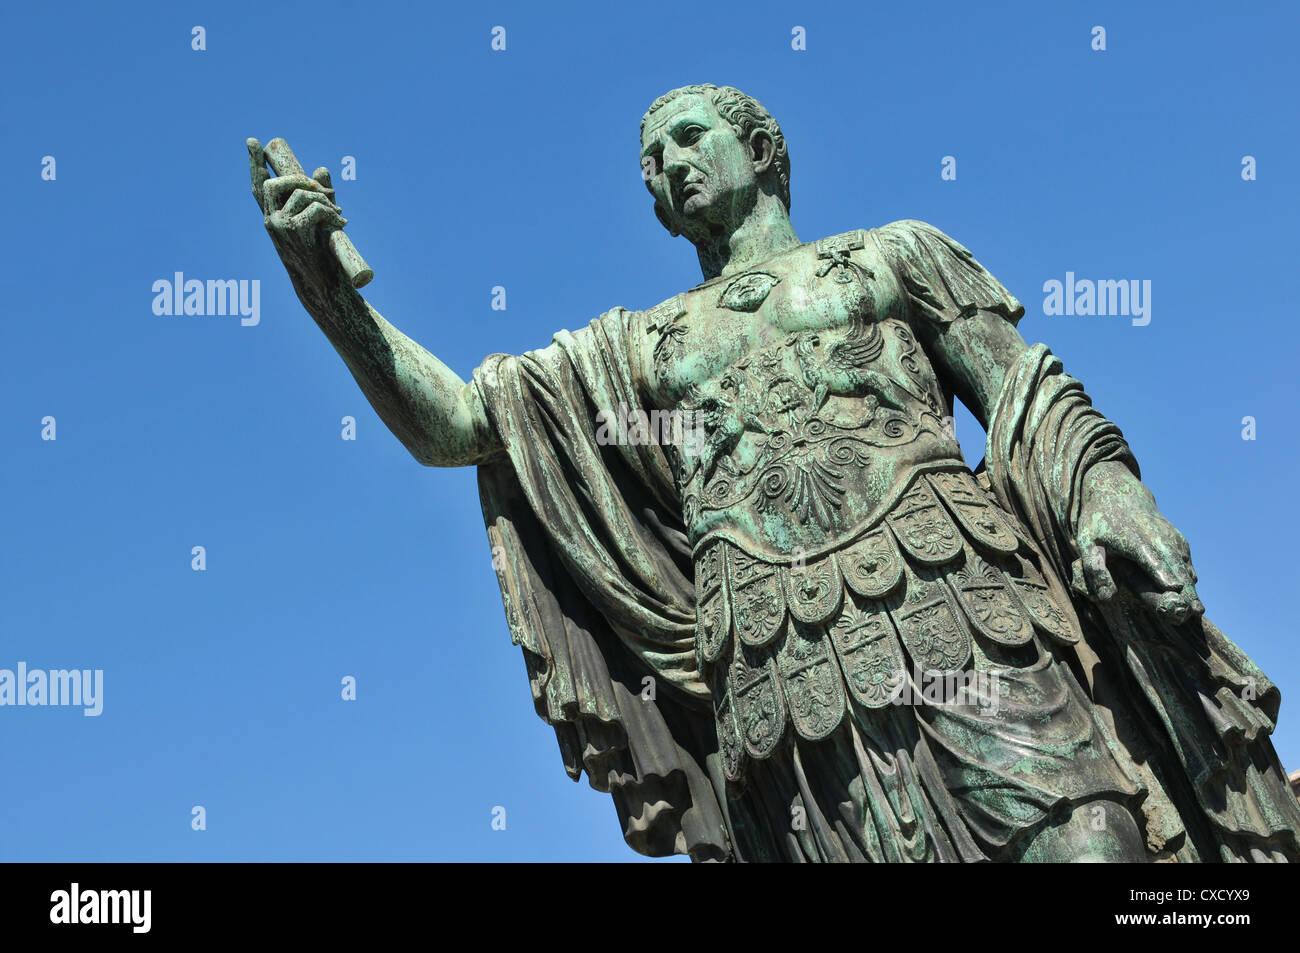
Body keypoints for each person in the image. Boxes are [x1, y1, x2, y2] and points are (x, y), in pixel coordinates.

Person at [248, 84, 1300, 862]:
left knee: (1088, 841)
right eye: (651, 159)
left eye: (688, 137)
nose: (668, 163)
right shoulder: (637, 349)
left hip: (964, 601)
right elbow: (465, 426)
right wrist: (326, 292)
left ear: (762, 146)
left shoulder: (895, 255)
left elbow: (1022, 390)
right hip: (779, 662)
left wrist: (1108, 493)